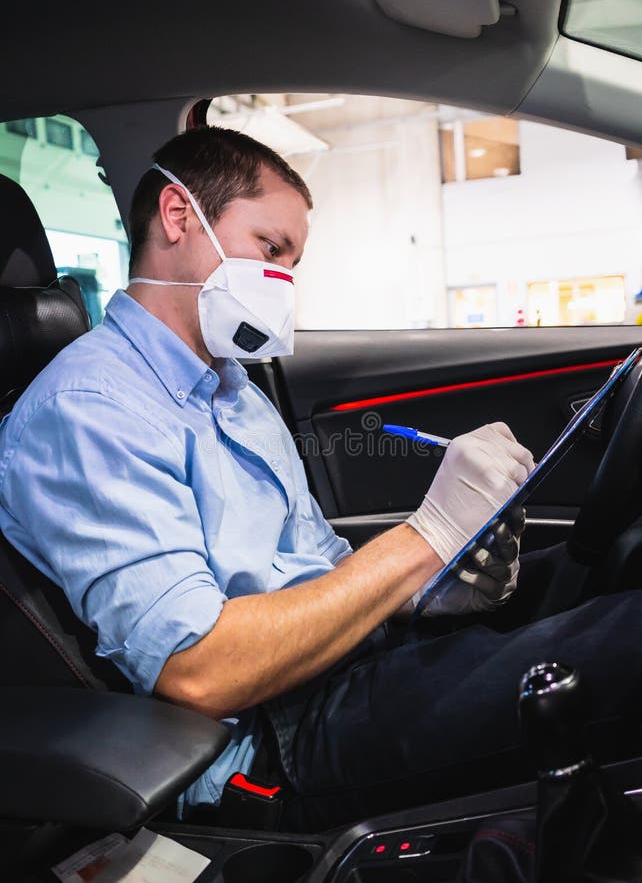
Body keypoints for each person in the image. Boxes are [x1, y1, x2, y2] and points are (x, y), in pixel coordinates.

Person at [1, 126, 641, 833]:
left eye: (293, 262)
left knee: (600, 573)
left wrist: (430, 596)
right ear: (179, 217)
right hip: (275, 739)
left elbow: (315, 568)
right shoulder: (88, 407)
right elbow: (199, 670)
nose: (282, 279)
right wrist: (425, 540)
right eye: (269, 248)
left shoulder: (232, 391)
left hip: (349, 660)